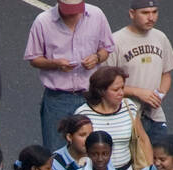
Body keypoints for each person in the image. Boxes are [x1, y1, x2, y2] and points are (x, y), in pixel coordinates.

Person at [24, 0, 115, 152]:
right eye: (69, 10)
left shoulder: (96, 15)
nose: (73, 14)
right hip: (58, 98)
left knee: (94, 149)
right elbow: (34, 58)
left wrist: (97, 57)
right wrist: (55, 64)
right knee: (55, 150)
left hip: (90, 96)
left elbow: (106, 48)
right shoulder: (43, 22)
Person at [111, 1, 173, 139]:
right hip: (125, 117)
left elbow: (166, 74)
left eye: (154, 12)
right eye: (145, 13)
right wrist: (137, 92)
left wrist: (159, 95)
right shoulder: (116, 41)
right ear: (132, 14)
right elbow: (104, 84)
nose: (151, 17)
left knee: (161, 158)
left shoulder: (160, 38)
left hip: (155, 117)